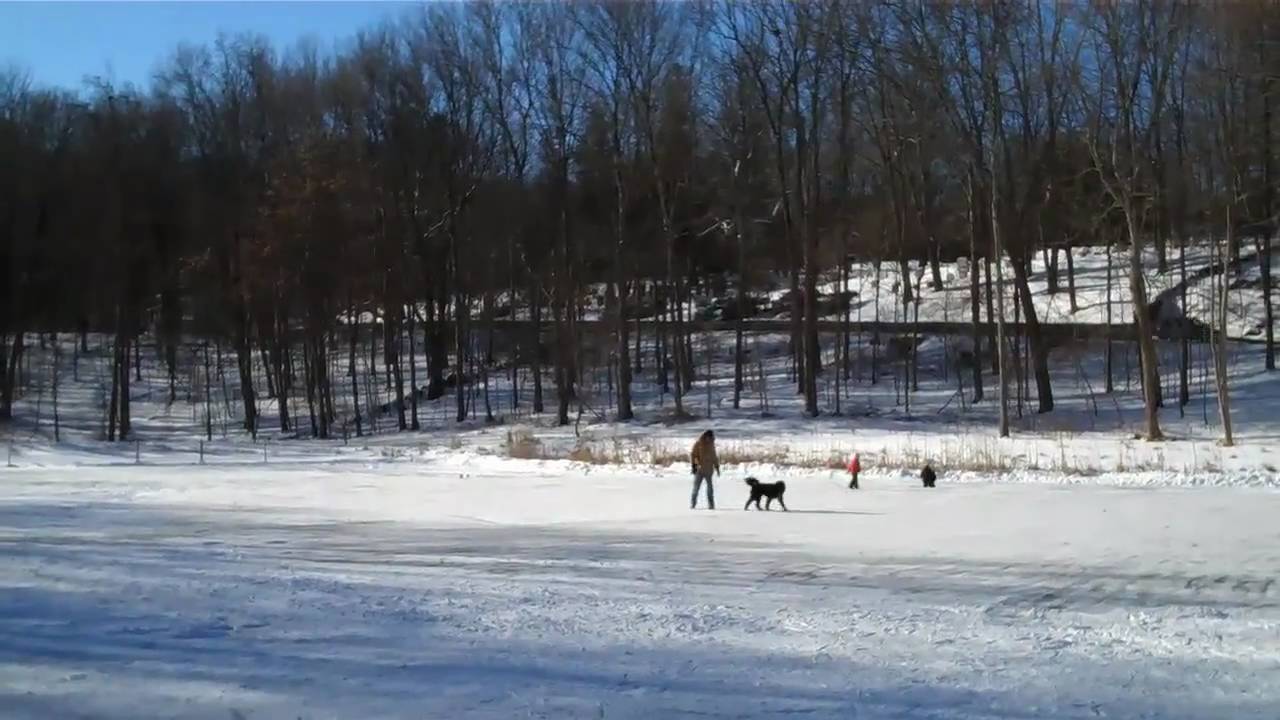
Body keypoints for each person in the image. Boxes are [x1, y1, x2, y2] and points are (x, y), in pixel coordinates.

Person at [690, 430, 720, 509]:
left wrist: (717, 467)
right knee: (696, 488)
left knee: (710, 488)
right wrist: (694, 465)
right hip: (699, 470)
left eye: (711, 438)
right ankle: (693, 503)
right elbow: (693, 455)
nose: (709, 439)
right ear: (705, 436)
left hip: (709, 470)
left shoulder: (711, 445)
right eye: (708, 438)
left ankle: (711, 504)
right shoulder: (698, 444)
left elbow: (714, 456)